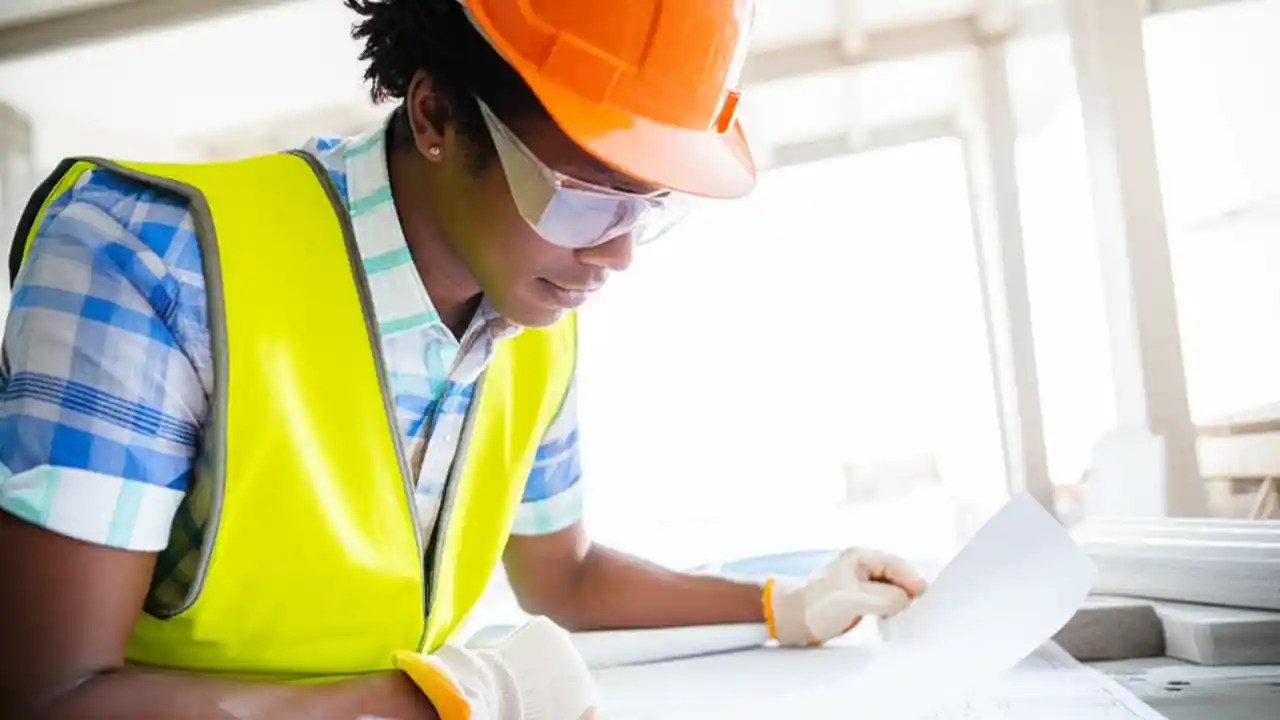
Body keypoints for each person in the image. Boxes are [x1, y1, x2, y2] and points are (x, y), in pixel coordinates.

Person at [0, 1, 927, 718]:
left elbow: (566, 577)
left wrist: (783, 604)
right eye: (584, 196)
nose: (616, 254)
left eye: (648, 207)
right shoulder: (153, 261)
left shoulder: (535, 317)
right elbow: (44, 694)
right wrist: (425, 704)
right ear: (438, 114)